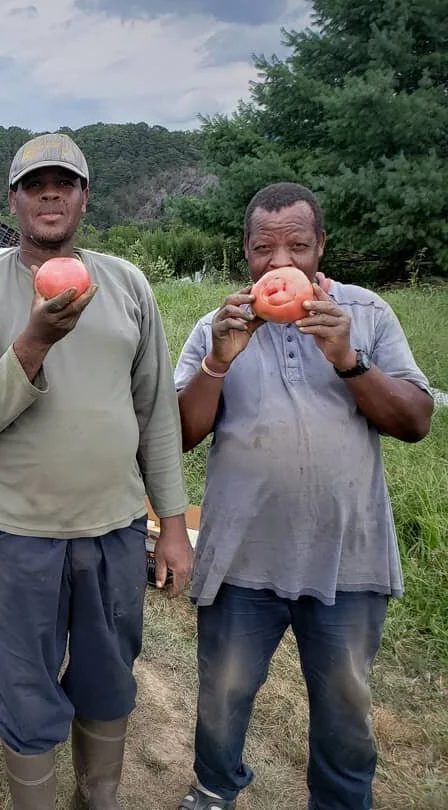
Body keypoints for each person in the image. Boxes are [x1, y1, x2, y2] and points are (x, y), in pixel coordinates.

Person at [0, 132, 194, 810]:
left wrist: (172, 526)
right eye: (34, 184)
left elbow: (156, 412)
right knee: (24, 684)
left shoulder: (127, 284)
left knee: (110, 675)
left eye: (64, 182)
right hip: (19, 530)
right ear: (14, 200)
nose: (49, 193)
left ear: (85, 197)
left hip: (113, 525)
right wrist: (33, 344)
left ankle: (98, 797)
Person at [171, 182, 434, 810]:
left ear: (321, 247)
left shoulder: (365, 315)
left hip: (349, 557)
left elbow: (416, 421)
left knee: (346, 708)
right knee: (224, 694)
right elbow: (179, 434)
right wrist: (217, 363)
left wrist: (347, 358)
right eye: (265, 249)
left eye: (297, 245)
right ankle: (213, 791)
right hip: (242, 558)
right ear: (246, 253)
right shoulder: (220, 324)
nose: (280, 263)